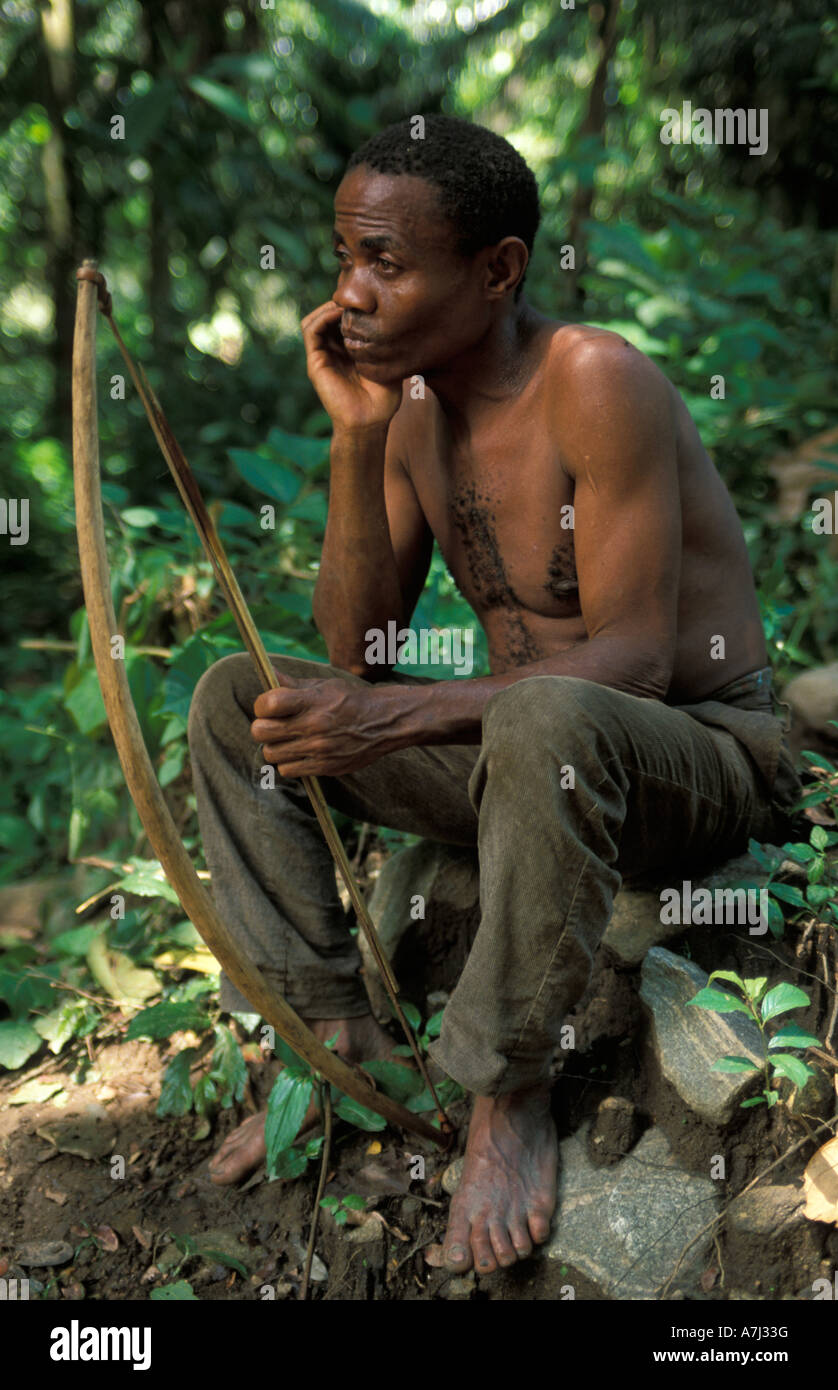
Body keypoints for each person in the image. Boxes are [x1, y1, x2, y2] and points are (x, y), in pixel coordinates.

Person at [187, 114, 803, 1277]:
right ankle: (337, 1030)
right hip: (524, 756)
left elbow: (632, 663)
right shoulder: (410, 408)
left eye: (385, 261)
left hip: (693, 752)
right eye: (342, 257)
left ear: (497, 270)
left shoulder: (594, 380)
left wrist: (396, 714)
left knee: (543, 713)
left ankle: (506, 1091)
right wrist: (356, 442)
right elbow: (357, 646)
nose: (349, 292)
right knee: (238, 699)